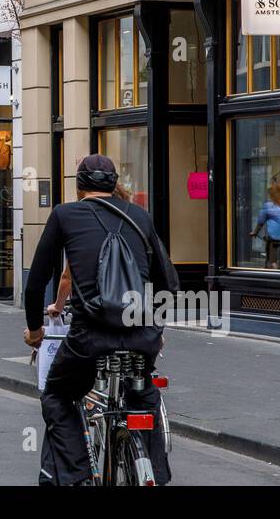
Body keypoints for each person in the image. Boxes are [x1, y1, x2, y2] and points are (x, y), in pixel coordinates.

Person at [23, 154, 178, 486]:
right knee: (144, 397)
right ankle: (156, 474)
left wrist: (36, 331)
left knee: (58, 395)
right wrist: (158, 330)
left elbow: (37, 280)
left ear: (79, 186)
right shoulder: (140, 216)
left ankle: (77, 474)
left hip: (89, 339)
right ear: (114, 183)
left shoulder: (65, 215)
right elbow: (167, 283)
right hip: (141, 336)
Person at [252, 178, 280, 269]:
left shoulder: (268, 206)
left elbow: (260, 223)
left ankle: (272, 263)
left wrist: (254, 232)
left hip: (274, 237)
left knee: (270, 242)